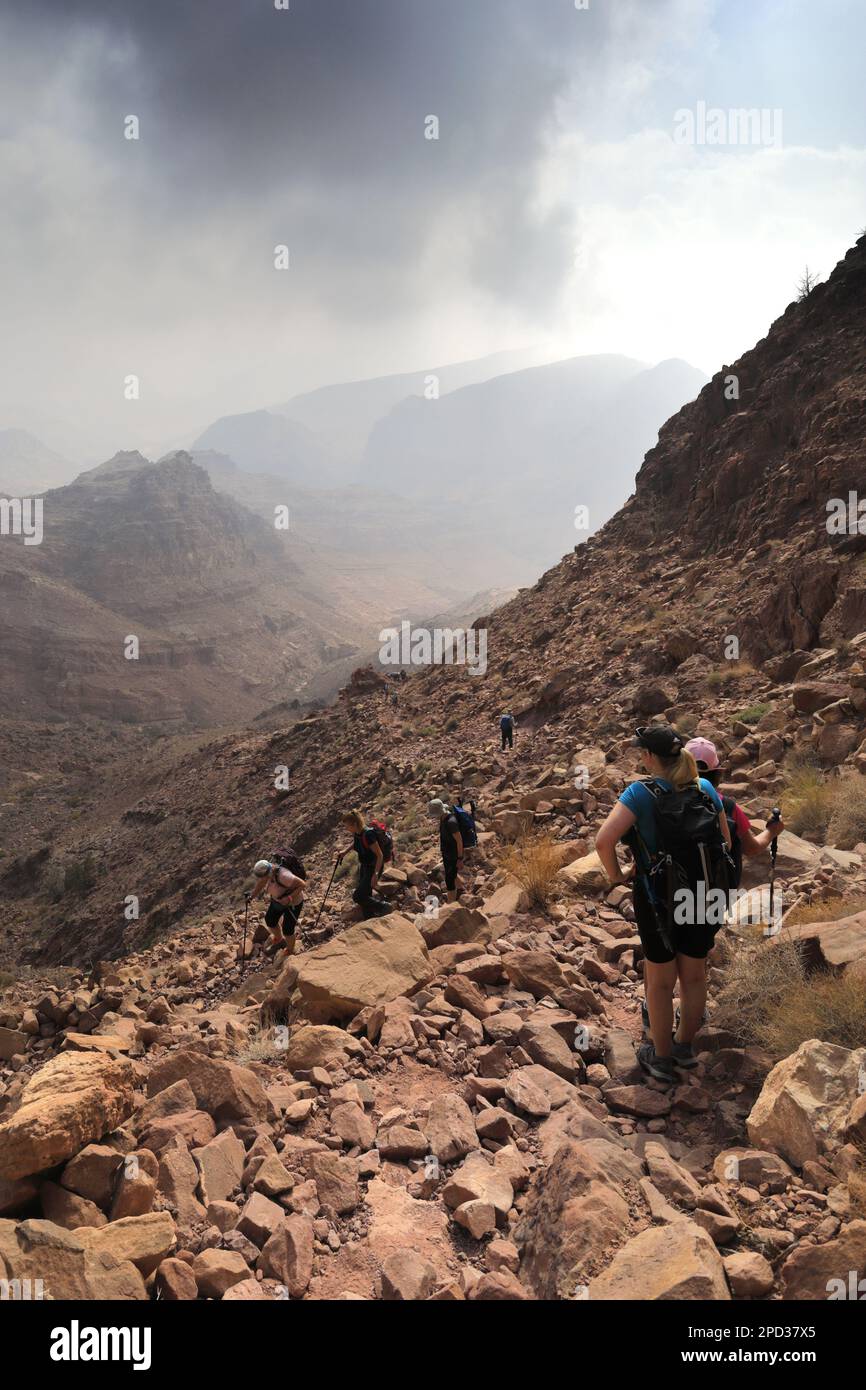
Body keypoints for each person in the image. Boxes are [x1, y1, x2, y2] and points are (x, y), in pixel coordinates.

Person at [595, 725, 732, 1084]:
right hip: (704, 892)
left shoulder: (639, 793)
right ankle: (684, 1047)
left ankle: (661, 1057)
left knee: (659, 980)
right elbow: (726, 842)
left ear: (649, 757)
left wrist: (617, 876)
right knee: (694, 974)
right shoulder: (704, 788)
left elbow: (603, 842)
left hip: (658, 897)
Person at [684, 738, 785, 886]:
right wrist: (771, 831)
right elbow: (751, 848)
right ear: (716, 773)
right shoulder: (727, 806)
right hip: (715, 891)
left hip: (671, 889)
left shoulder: (665, 800)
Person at [248, 855, 306, 957]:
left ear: (267, 872)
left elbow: (302, 884)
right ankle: (279, 938)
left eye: (262, 876)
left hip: (293, 904)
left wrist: (289, 898)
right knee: (270, 920)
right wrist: (251, 897)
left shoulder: (284, 876)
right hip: (277, 900)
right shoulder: (270, 872)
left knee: (288, 930)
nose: (262, 879)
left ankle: (290, 949)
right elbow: (261, 883)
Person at [339, 809, 391, 918]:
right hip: (364, 866)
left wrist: (375, 874)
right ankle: (369, 917)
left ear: (354, 824)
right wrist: (345, 852)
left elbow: (380, 855)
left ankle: (384, 906)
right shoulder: (358, 833)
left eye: (347, 826)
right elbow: (356, 842)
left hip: (373, 867)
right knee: (365, 894)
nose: (346, 828)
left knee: (358, 896)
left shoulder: (368, 834)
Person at [428, 798, 464, 902]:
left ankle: (450, 905)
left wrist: (460, 859)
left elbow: (459, 841)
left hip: (454, 855)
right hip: (447, 853)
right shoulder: (443, 818)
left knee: (449, 880)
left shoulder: (451, 822)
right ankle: (461, 891)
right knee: (452, 874)